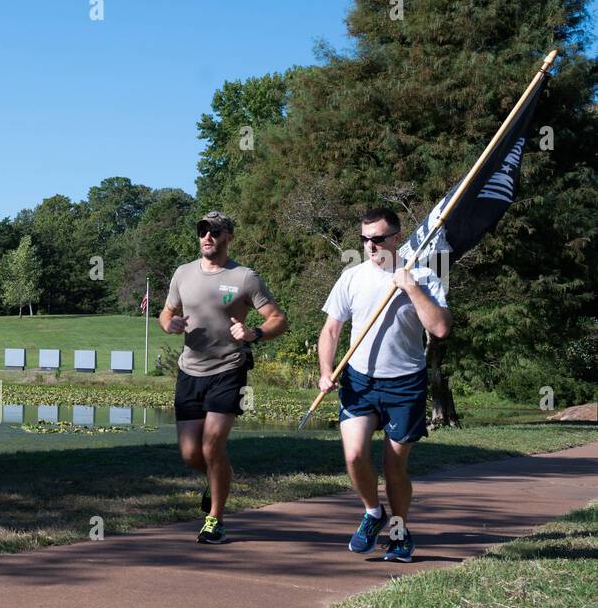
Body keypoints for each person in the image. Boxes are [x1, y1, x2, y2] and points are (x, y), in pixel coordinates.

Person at [316, 207, 451, 563]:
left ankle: (400, 533)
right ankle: (372, 512)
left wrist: (411, 289)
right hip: (359, 380)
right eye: (364, 239)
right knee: (354, 455)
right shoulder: (352, 277)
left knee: (394, 467)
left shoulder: (422, 276)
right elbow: (331, 329)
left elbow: (439, 329)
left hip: (405, 383)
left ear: (396, 237)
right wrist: (325, 369)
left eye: (377, 239)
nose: (370, 246)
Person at [160, 211, 287, 543]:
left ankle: (215, 519)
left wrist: (254, 332)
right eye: (203, 231)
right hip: (190, 370)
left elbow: (278, 319)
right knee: (191, 454)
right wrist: (168, 323)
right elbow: (167, 310)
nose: (207, 237)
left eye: (215, 231)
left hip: (229, 368)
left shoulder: (244, 277)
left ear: (228, 235)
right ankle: (220, 477)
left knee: (212, 444)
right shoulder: (183, 273)